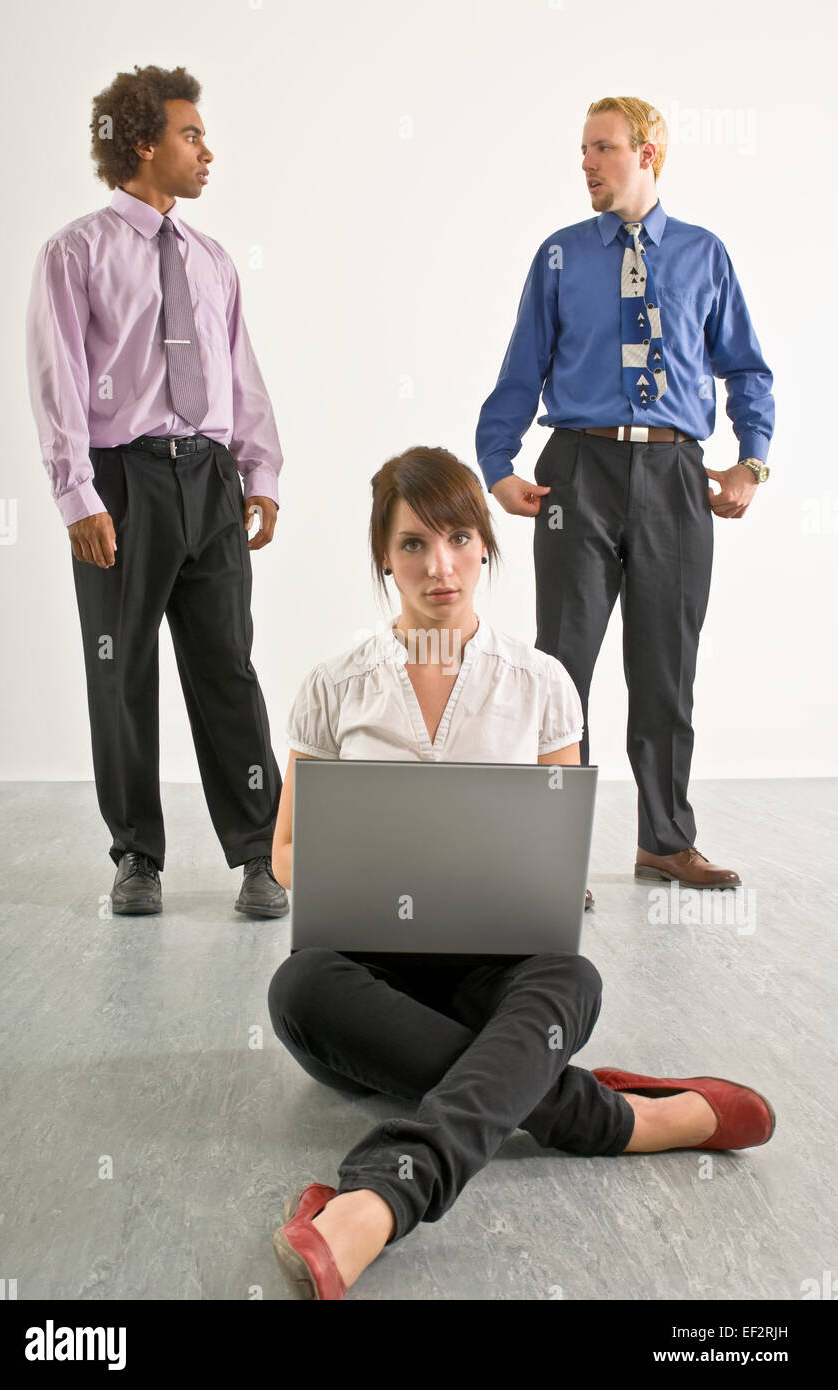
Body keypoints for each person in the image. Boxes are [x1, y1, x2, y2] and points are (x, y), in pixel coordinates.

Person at [266, 447, 775, 1301]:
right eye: (413, 545)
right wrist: (337, 872)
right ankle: (619, 1117)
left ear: (486, 546)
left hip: (492, 970)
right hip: (366, 975)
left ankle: (379, 1199)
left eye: (460, 539)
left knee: (570, 978)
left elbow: (556, 851)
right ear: (382, 558)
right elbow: (284, 850)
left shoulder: (542, 684)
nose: (440, 566)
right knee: (296, 990)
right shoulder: (334, 684)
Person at [475, 96, 775, 891]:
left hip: (677, 476)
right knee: (561, 667)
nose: (585, 164)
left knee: (665, 668)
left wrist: (753, 462)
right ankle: (550, 854)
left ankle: (664, 840)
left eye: (601, 149)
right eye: (581, 150)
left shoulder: (704, 255)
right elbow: (520, 368)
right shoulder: (559, 256)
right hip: (578, 467)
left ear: (648, 154)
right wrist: (497, 463)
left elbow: (745, 367)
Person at [25, 64, 287, 919]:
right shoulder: (76, 253)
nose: (208, 151)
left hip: (208, 479)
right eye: (191, 135)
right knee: (120, 670)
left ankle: (258, 854)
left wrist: (261, 471)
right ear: (144, 144)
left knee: (227, 668)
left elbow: (239, 370)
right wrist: (77, 498)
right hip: (121, 482)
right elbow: (56, 379)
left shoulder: (212, 260)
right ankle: (137, 855)